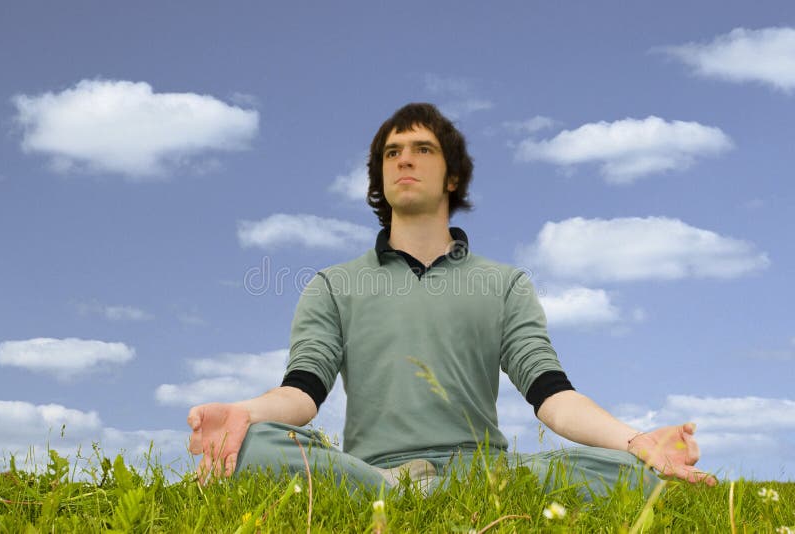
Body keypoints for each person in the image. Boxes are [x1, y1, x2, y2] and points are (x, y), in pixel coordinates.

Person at [187, 103, 717, 496]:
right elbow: (302, 391)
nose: (404, 161)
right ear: (380, 176)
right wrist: (244, 413)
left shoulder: (504, 283)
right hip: (373, 472)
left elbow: (551, 393)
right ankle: (404, 497)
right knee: (254, 446)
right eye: (391, 153)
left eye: (423, 149)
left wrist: (634, 441)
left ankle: (426, 503)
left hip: (486, 473)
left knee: (634, 476)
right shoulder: (333, 284)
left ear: (453, 175)